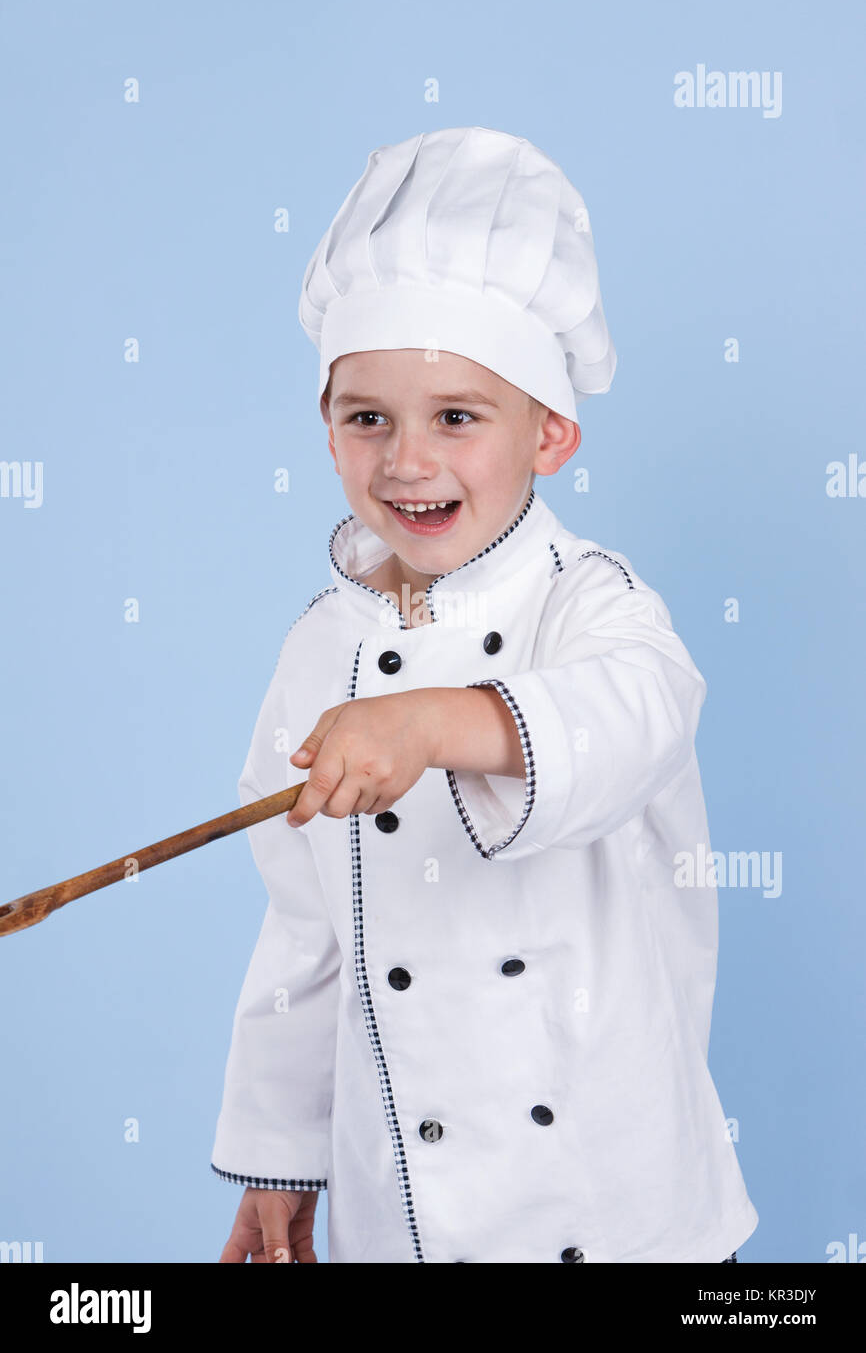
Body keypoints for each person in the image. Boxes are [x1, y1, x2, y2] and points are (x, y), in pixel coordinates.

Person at [212, 126, 759, 1264]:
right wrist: (283, 1162)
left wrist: (433, 721)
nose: (407, 461)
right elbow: (305, 929)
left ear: (548, 434)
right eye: (367, 417)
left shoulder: (593, 604)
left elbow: (634, 714)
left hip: (614, 1207)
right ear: (325, 429)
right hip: (398, 1209)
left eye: (456, 416)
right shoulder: (318, 649)